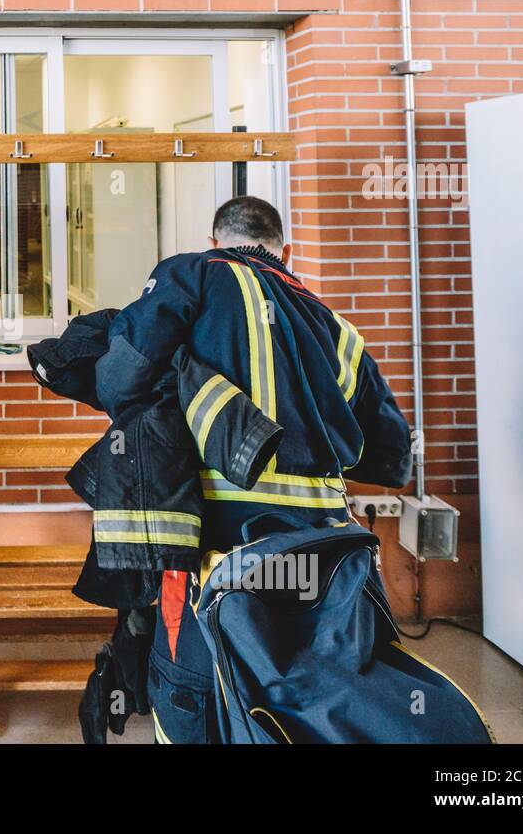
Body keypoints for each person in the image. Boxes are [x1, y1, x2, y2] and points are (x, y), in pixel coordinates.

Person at [94, 196, 413, 744]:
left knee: (192, 686)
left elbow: (120, 380)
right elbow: (393, 457)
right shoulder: (337, 327)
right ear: (285, 251)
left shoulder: (192, 274)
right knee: (304, 697)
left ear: (215, 241)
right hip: (324, 551)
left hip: (211, 545)